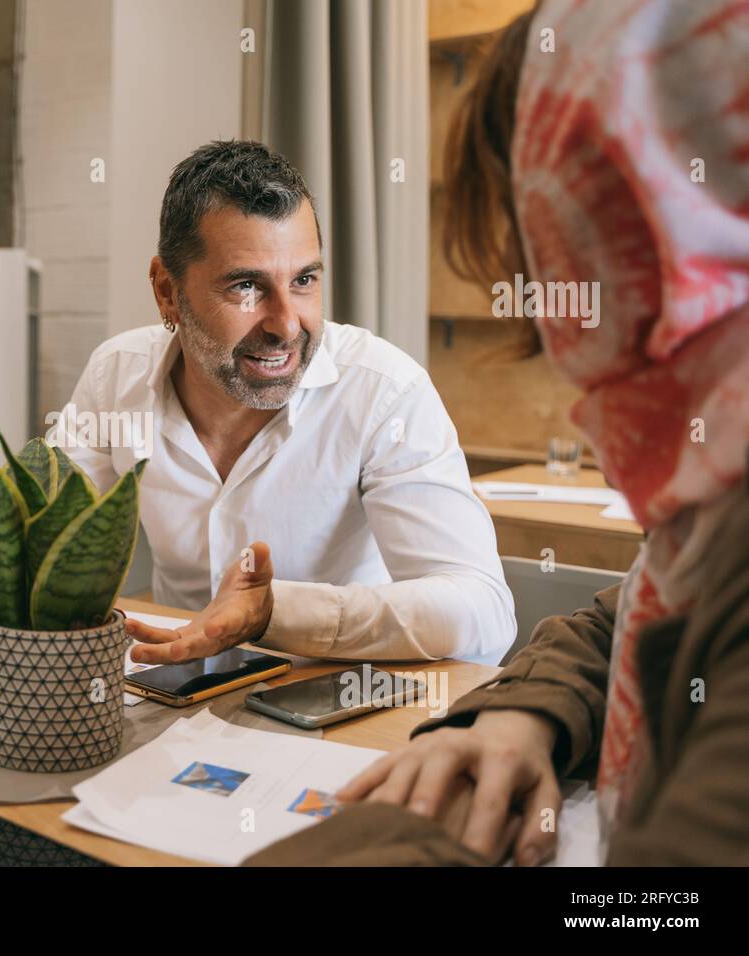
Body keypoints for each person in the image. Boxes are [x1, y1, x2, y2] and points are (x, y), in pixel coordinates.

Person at [245, 0, 749, 866]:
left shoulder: (386, 385)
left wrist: (383, 834)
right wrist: (521, 715)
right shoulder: (713, 520)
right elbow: (622, 615)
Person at [0, 141, 516, 666]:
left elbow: (483, 612)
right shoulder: (117, 374)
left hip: (333, 692)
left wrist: (274, 611)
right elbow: (31, 532)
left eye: (304, 280)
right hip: (170, 685)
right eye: (246, 286)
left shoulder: (385, 392)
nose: (286, 325)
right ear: (167, 292)